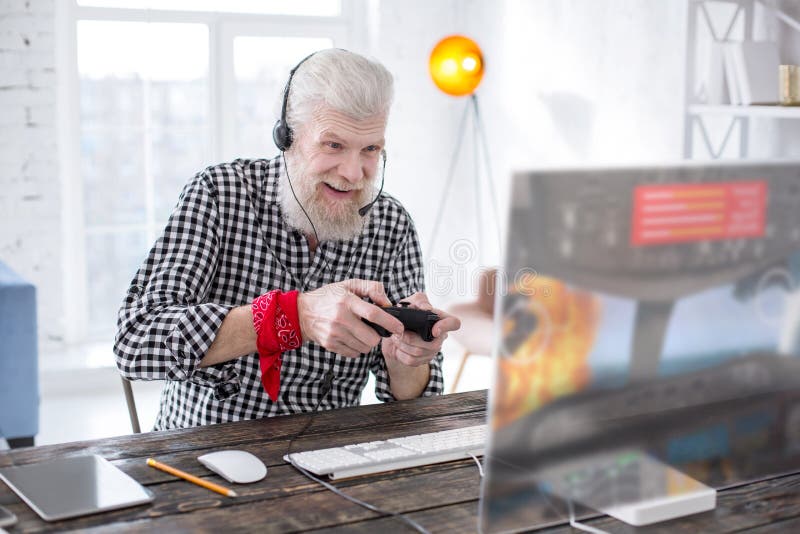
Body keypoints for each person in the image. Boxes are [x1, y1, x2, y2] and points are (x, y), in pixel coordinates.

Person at [114, 49, 461, 430]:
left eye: (370, 149)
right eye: (333, 145)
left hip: (327, 452)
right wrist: (295, 316)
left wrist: (406, 360)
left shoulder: (391, 224)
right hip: (206, 446)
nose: (353, 173)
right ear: (287, 136)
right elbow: (135, 342)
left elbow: (416, 403)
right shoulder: (220, 193)